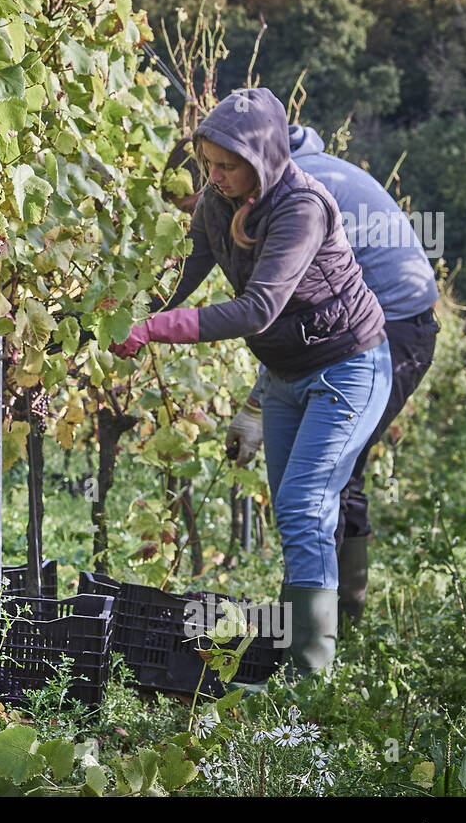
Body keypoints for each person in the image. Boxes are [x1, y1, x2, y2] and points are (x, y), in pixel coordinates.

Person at [114, 87, 392, 677]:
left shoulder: (302, 207)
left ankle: (313, 672)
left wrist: (159, 328)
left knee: (302, 503)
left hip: (348, 366)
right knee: (293, 510)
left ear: (262, 157)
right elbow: (191, 269)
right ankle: (299, 655)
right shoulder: (219, 202)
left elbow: (258, 308)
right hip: (286, 374)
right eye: (209, 163)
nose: (214, 176)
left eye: (227, 165)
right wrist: (128, 314)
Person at [220, 122, 441, 625]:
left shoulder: (293, 198)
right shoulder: (303, 176)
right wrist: (259, 404)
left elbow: (299, 315)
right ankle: (329, 625)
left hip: (394, 330)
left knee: (324, 481)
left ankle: (317, 633)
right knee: (329, 479)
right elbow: (304, 321)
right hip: (365, 330)